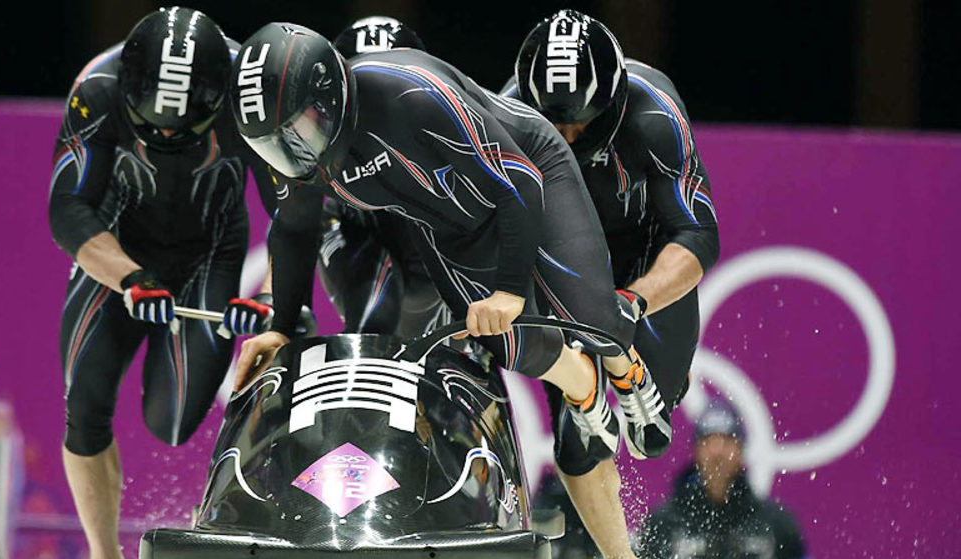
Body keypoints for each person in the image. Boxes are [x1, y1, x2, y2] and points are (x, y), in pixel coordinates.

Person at [228, 26, 674, 521]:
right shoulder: (300, 151)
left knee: (591, 317)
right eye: (275, 147)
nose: (295, 159)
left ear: (331, 96)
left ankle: (625, 369)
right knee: (509, 345)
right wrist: (279, 327)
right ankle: (585, 389)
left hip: (530, 172)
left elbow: (518, 180)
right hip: (446, 225)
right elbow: (292, 231)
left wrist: (508, 290)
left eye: (299, 134)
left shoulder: (411, 97)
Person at [47, 7, 276, 559]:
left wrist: (273, 298)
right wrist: (129, 276)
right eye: (152, 126)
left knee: (170, 421)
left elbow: (296, 214)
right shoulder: (97, 88)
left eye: (188, 127)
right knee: (86, 398)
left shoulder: (251, 89)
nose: (169, 138)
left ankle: (249, 526)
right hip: (120, 253)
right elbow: (68, 210)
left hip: (209, 256)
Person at [504, 10, 721, 559]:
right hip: (566, 260)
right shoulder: (507, 111)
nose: (565, 138)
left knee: (652, 430)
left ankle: (626, 370)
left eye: (578, 123)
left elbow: (698, 234)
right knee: (576, 440)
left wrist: (638, 298)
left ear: (612, 100)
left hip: (644, 254)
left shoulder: (654, 115)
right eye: (553, 122)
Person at [317, 16, 450, 337]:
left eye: (386, 87)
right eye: (360, 91)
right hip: (353, 233)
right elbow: (290, 221)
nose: (374, 109)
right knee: (372, 314)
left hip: (432, 255)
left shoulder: (450, 121)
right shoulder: (313, 132)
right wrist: (276, 304)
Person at [638, 402, 823, 559]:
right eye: (708, 441)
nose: (717, 451)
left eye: (727, 441)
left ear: (741, 450)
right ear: (696, 450)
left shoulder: (777, 524)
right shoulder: (663, 523)